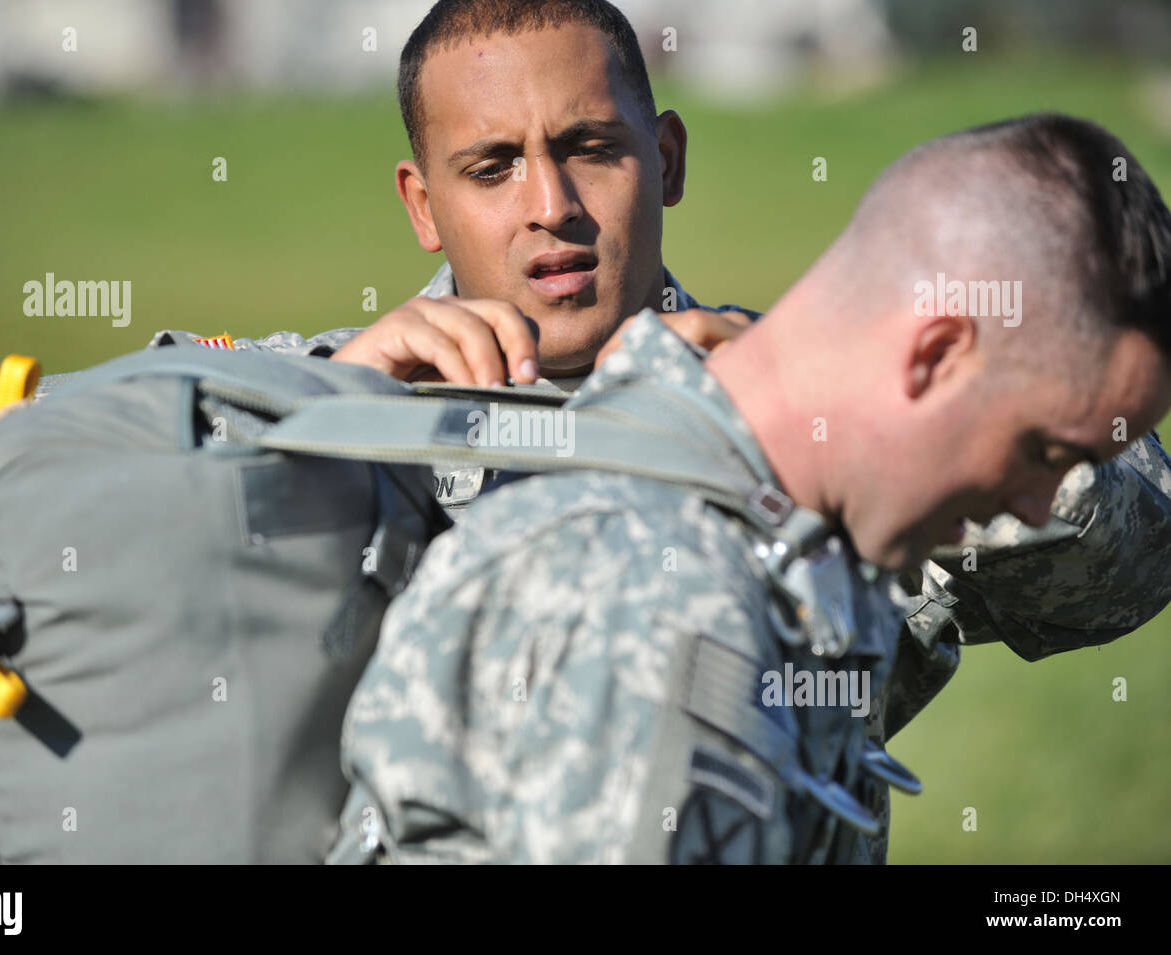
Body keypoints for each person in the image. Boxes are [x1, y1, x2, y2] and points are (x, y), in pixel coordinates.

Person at [331, 111, 1171, 864]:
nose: (1034, 509)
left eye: (592, 148)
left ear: (666, 156)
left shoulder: (763, 489)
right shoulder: (669, 591)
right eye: (1037, 452)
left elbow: (1126, 551)